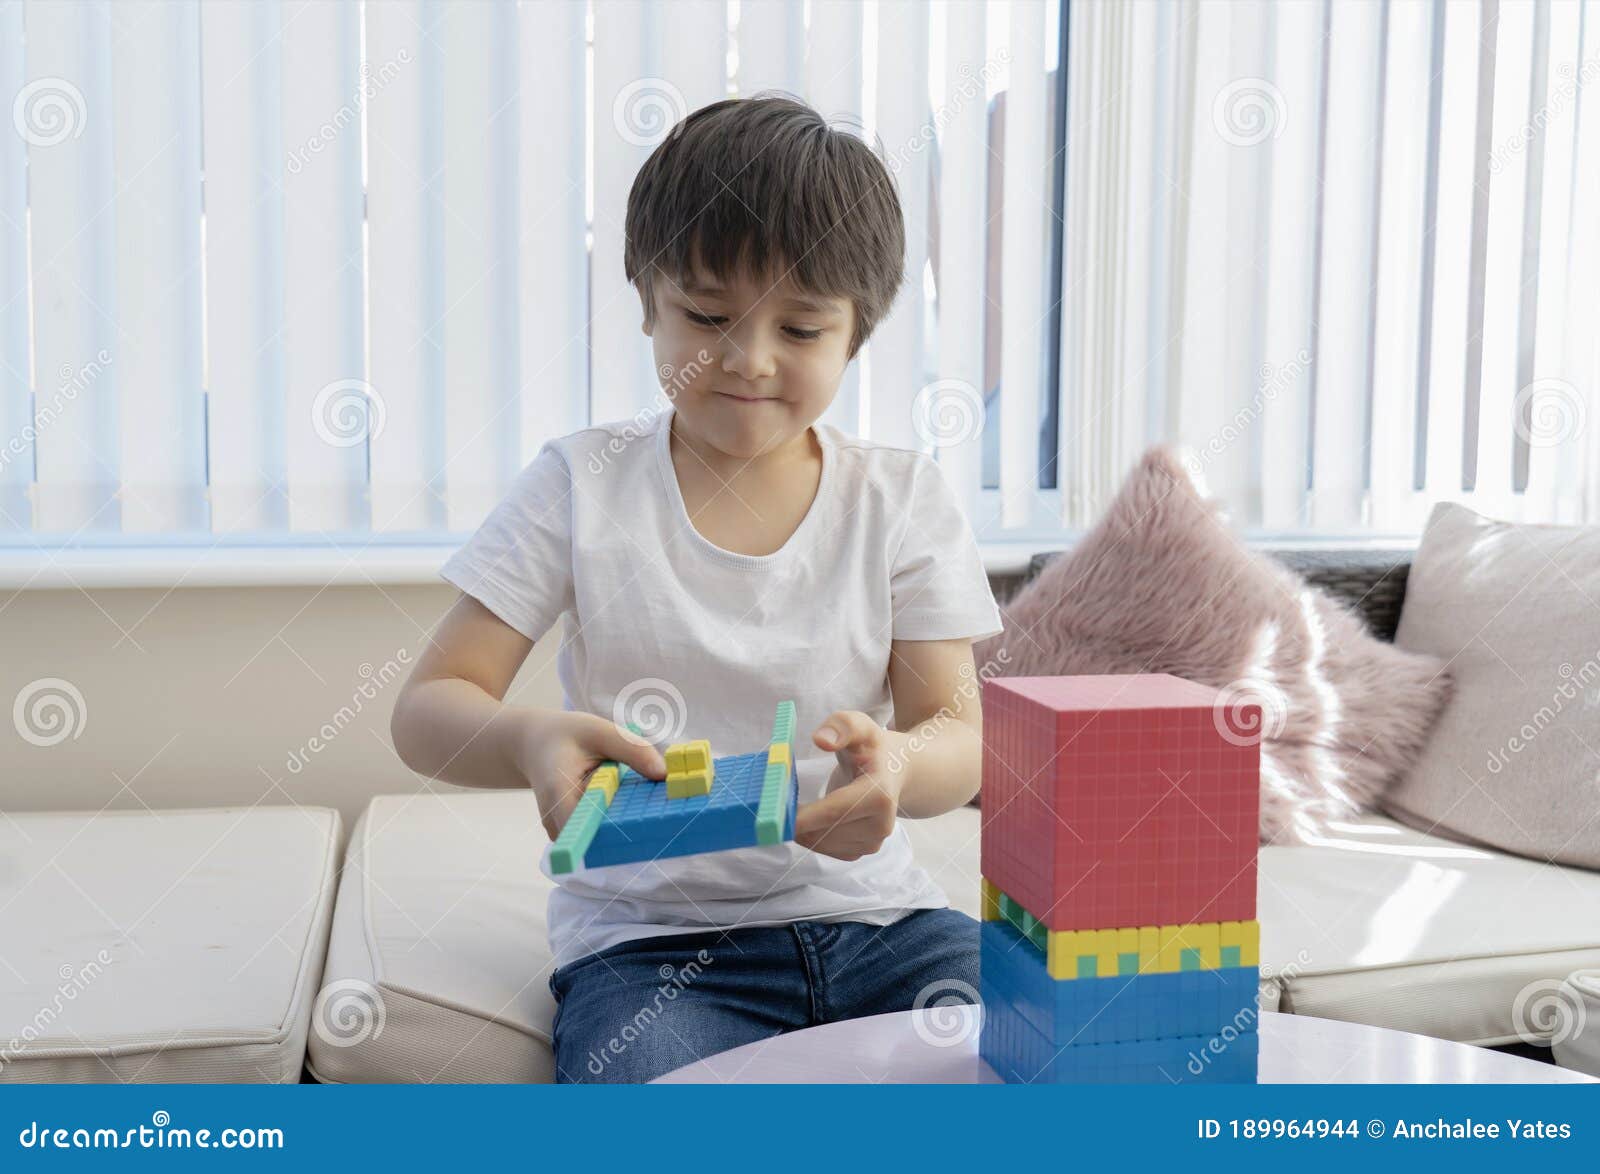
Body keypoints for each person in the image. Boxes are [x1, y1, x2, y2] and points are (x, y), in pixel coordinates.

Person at [391, 94, 1002, 1083]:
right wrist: (533, 736)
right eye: (708, 316)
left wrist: (897, 766)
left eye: (801, 329)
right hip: (651, 951)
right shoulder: (581, 485)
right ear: (647, 301)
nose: (747, 360)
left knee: (1065, 1056)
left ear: (857, 333)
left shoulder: (899, 498)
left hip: (887, 926)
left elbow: (958, 733)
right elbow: (427, 710)